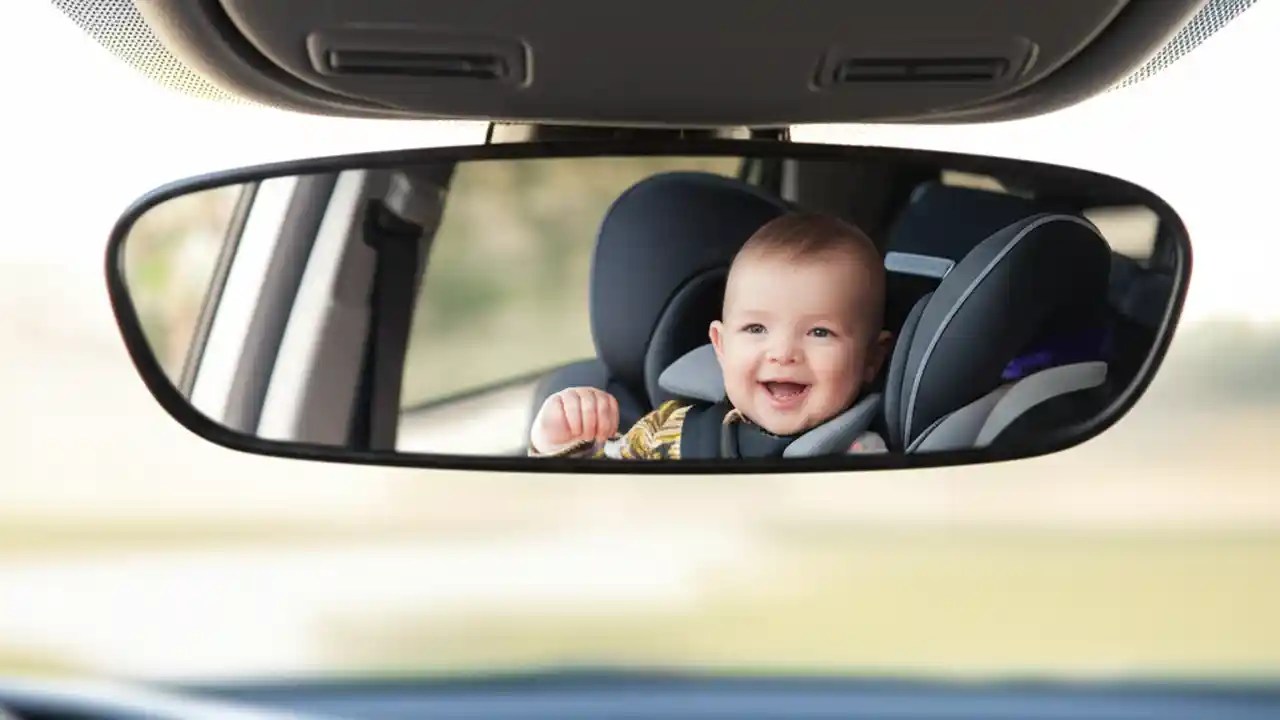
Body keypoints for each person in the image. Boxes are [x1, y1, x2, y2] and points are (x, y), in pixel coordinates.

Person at [529, 212, 893, 459]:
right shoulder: (670, 432)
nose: (783, 353)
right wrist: (559, 444)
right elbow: (598, 494)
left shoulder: (863, 458)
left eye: (819, 332)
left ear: (871, 359)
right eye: (756, 329)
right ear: (720, 346)